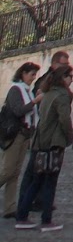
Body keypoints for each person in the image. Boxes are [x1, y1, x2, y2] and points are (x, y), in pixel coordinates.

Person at [14, 62, 73, 232]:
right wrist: (69, 137)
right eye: (70, 76)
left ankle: (22, 216)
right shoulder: (61, 95)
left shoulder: (48, 94)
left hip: (41, 143)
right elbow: (64, 120)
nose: (72, 80)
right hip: (53, 143)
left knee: (37, 180)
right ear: (63, 78)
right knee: (50, 181)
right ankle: (46, 220)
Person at [2, 62, 41, 219]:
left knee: (15, 173)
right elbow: (19, 110)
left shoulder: (28, 91)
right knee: (7, 170)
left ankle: (9, 207)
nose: (33, 77)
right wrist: (34, 101)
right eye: (32, 74)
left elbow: (32, 114)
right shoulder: (15, 90)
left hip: (25, 135)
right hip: (15, 134)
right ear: (23, 73)